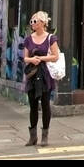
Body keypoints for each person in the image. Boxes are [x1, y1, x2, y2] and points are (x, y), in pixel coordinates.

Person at [22, 11, 61, 146]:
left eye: (35, 21)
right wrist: (32, 59)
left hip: (45, 76)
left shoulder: (51, 38)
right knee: (33, 106)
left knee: (45, 105)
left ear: (43, 23)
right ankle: (33, 137)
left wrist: (41, 59)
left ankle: (45, 136)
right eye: (31, 21)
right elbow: (25, 58)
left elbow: (56, 56)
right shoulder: (28, 39)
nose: (32, 23)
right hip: (32, 75)